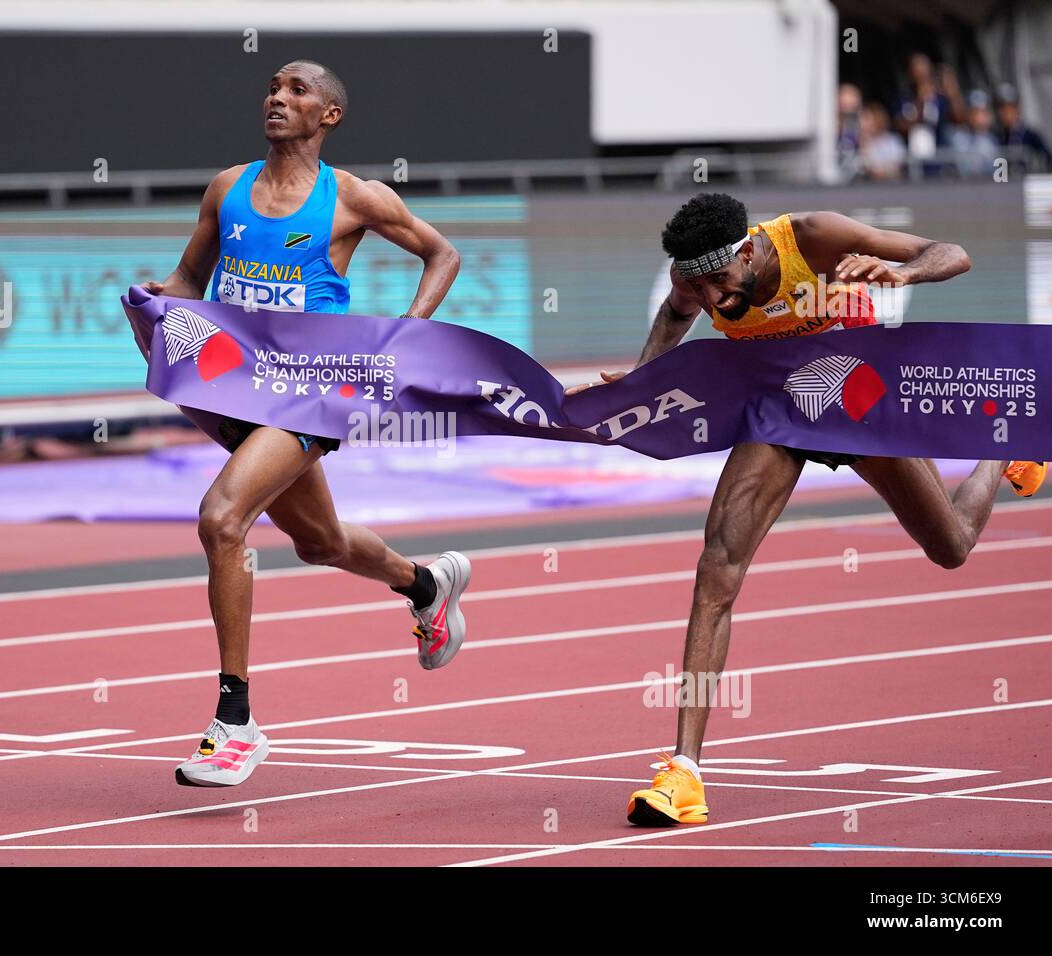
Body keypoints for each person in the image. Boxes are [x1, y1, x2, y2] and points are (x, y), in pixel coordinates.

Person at [569, 192, 1046, 825]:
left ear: (747, 251)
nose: (713, 299)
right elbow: (673, 316)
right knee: (717, 568)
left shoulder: (810, 237)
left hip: (857, 391)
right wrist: (640, 382)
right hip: (778, 407)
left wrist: (904, 273)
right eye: (700, 286)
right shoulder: (695, 277)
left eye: (721, 282)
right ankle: (683, 775)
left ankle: (1004, 442)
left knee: (952, 547)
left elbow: (951, 254)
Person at [142, 61, 471, 788]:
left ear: (329, 116)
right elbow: (190, 280)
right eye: (273, 86)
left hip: (316, 390)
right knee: (319, 542)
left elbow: (442, 254)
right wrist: (158, 301)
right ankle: (425, 585)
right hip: (236, 387)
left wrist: (403, 337)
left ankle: (235, 722)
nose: (277, 98)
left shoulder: (354, 197)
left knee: (223, 517)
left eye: (297, 92)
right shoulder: (228, 189)